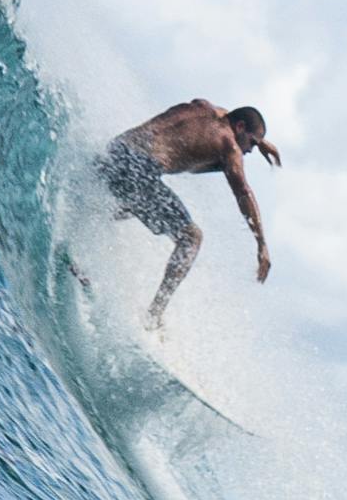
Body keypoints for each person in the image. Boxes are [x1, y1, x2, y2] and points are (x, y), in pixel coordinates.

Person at [96, 99, 281, 329]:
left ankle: (81, 236)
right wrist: (261, 244)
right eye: (251, 144)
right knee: (191, 237)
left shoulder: (206, 108)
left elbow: (232, 116)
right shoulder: (229, 146)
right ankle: (154, 314)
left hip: (117, 151)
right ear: (240, 128)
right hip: (138, 170)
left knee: (129, 207)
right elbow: (243, 192)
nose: (250, 151)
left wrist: (262, 142)